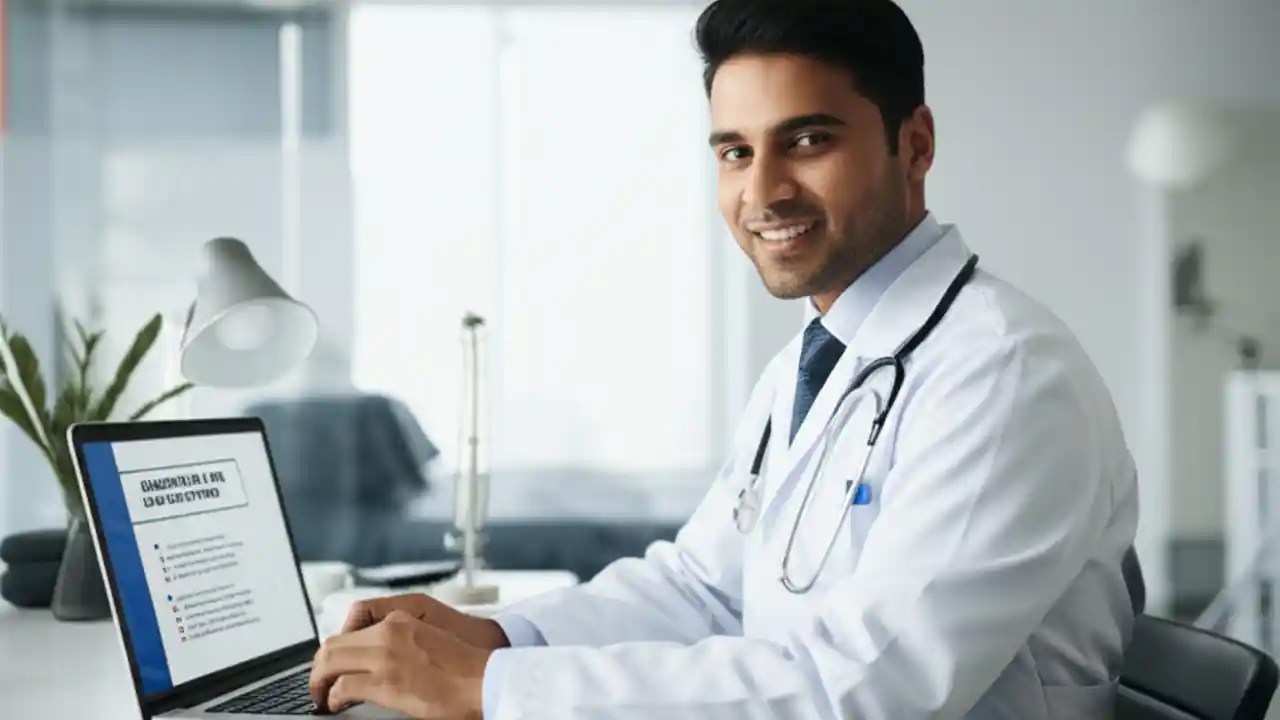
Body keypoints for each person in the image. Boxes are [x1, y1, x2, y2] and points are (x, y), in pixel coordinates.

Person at [308, 0, 1139, 717]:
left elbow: (858, 693)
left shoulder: (1002, 375)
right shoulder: (819, 363)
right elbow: (703, 588)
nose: (763, 191)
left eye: (807, 141)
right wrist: (499, 635)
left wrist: (493, 687)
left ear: (913, 145)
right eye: (735, 152)